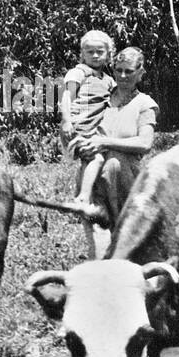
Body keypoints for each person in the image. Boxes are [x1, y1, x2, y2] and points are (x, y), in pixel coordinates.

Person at [74, 46, 158, 256]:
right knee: (100, 251)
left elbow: (144, 143)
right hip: (93, 182)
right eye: (118, 70)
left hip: (124, 184)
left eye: (129, 71)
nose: (122, 76)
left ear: (141, 73)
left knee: (127, 248)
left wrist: (105, 142)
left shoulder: (144, 104)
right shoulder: (101, 96)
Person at [59, 30, 116, 216]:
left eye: (100, 51)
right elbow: (66, 98)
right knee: (95, 158)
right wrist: (66, 121)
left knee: (91, 161)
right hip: (77, 128)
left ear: (109, 54)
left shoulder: (108, 80)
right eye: (90, 52)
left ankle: (84, 197)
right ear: (82, 54)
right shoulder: (79, 72)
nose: (95, 56)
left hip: (95, 130)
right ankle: (83, 198)